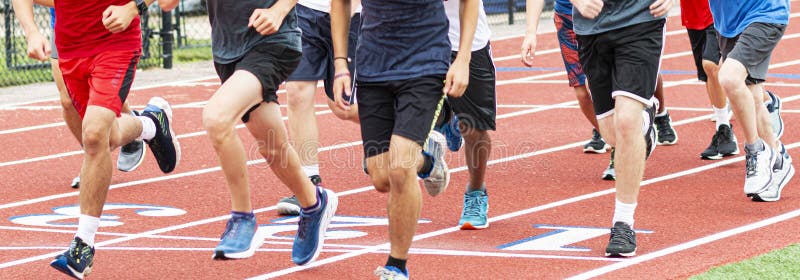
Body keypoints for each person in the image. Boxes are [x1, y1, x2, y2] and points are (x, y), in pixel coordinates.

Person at [14, 0, 181, 278]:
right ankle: (150, 123)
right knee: (107, 137)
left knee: (93, 135)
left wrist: (134, 7)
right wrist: (32, 32)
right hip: (70, 48)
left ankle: (83, 245)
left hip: (115, 44)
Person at [331, 0, 477, 278]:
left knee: (400, 168)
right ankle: (428, 161)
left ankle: (396, 266)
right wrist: (340, 65)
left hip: (425, 67)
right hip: (373, 69)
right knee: (381, 177)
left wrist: (463, 59)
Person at [201, 0, 337, 265]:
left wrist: (279, 10)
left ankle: (242, 218)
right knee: (273, 147)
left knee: (217, 118)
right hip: (228, 46)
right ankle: (314, 203)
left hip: (273, 40)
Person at [570, 0, 671, 257]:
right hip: (591, 27)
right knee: (612, 134)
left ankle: (623, 223)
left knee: (626, 122)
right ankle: (644, 122)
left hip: (641, 20)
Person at [275, 0, 362, 216]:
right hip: (303, 12)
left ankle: (412, 128)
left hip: (351, 14)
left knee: (345, 107)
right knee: (296, 92)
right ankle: (308, 182)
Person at [48, 6, 146, 189]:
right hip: (66, 29)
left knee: (105, 103)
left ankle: (136, 128)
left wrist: (133, 7)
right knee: (68, 101)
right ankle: (93, 159)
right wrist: (31, 32)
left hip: (106, 24)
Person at [708, 0, 794, 201]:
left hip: (765, 13)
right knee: (751, 94)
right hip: (728, 21)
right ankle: (778, 161)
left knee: (729, 77)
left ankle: (756, 150)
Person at [521, 0, 613, 178]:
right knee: (582, 92)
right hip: (567, 18)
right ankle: (612, 138)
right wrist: (530, 33)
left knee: (610, 83)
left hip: (604, 14)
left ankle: (655, 116)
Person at [439, 0, 495, 230]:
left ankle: (476, 192)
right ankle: (446, 119)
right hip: (421, 43)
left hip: (467, 44)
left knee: (473, 129)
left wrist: (463, 59)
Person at [679, 0, 738, 160]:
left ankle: (724, 127)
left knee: (711, 65)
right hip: (693, 13)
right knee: (709, 75)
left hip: (717, 11)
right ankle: (723, 130)